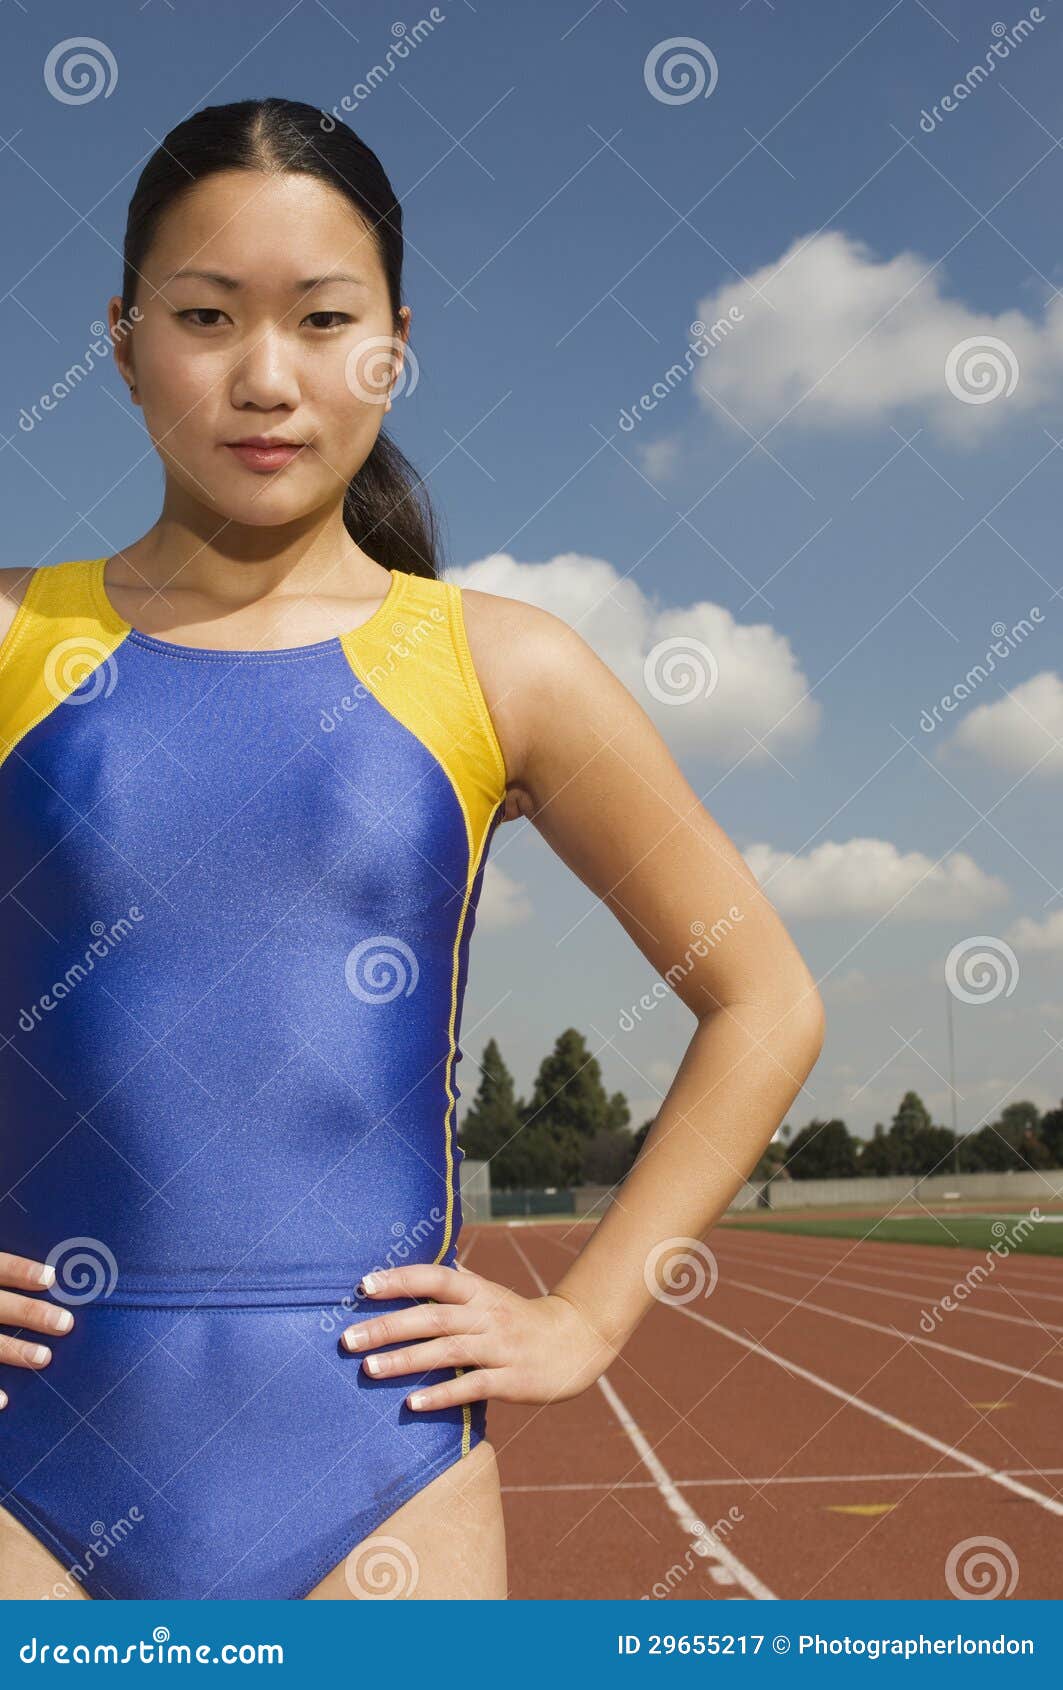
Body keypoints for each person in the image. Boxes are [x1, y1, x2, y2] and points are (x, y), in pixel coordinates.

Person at [0, 97, 824, 1601]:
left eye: (324, 320)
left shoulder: (507, 669)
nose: (266, 378)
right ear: (120, 340)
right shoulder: (11, 641)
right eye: (203, 316)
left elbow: (763, 998)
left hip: (381, 1483)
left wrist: (583, 1317)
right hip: (28, 1477)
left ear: (394, 345)